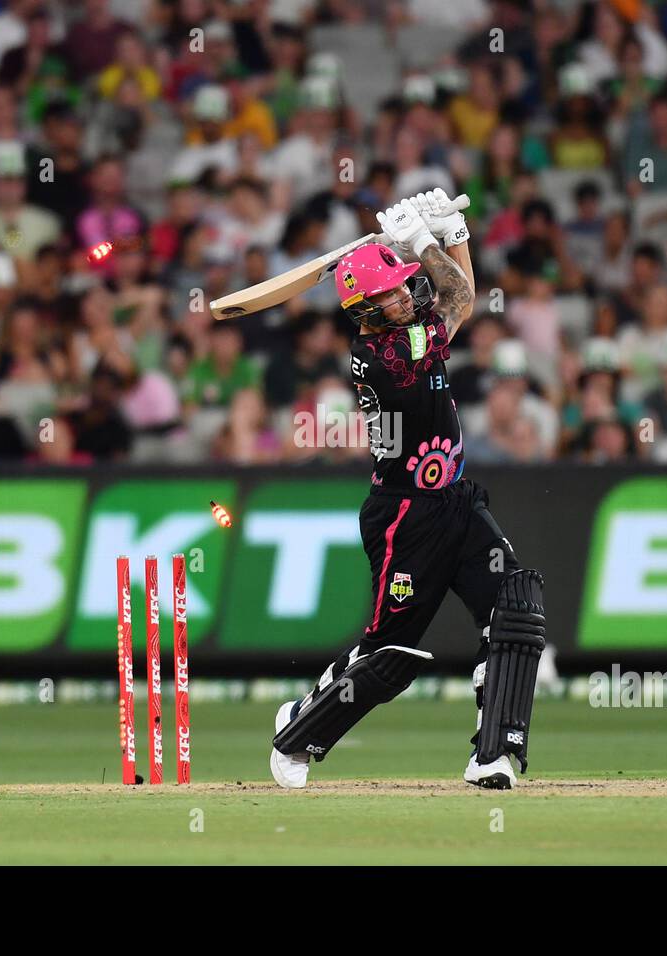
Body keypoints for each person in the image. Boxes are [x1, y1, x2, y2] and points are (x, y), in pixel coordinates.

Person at [269, 191, 547, 791]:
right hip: (405, 517)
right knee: (389, 659)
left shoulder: (414, 333)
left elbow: (457, 304)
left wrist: (453, 233)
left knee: (516, 608)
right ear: (366, 310)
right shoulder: (382, 353)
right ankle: (297, 733)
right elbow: (459, 298)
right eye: (391, 291)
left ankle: (492, 755)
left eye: (403, 285)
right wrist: (426, 240)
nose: (404, 293)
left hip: (456, 501)